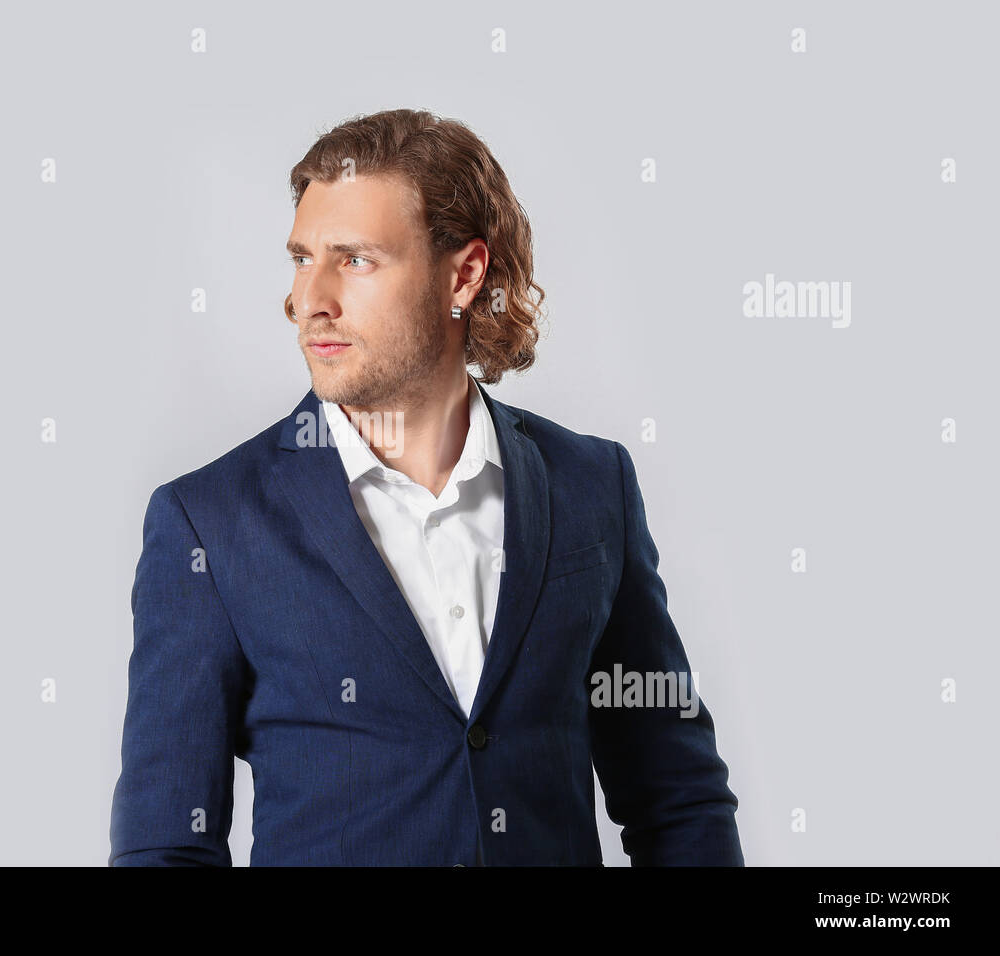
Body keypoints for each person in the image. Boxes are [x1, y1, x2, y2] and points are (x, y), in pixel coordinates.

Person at [109, 108, 744, 866]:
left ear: (465, 275)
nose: (310, 299)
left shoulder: (590, 486)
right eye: (302, 257)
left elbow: (678, 797)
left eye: (355, 261)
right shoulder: (208, 523)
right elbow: (165, 847)